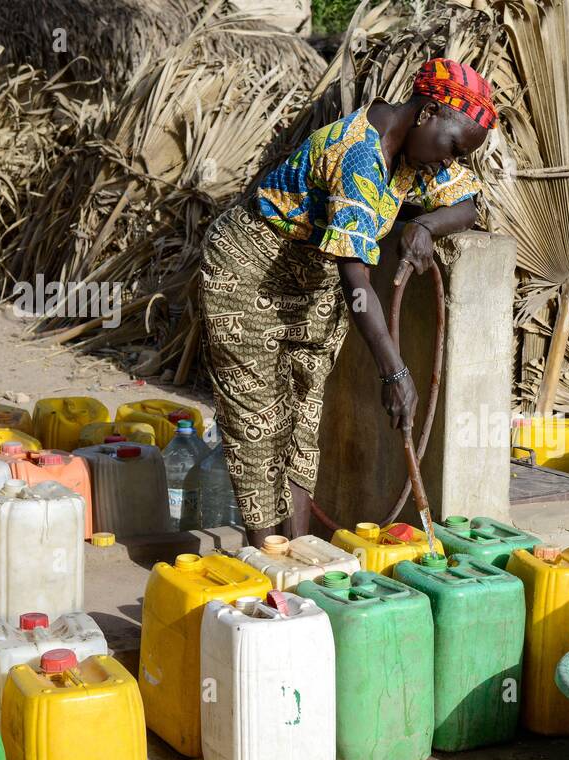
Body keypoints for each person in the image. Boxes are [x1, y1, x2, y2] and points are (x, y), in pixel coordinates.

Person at [201, 58, 495, 547]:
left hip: (312, 278)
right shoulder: (361, 153)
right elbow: (354, 276)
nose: (450, 163)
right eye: (453, 147)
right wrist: (394, 372)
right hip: (249, 270)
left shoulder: (414, 157)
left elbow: (468, 204)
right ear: (428, 113)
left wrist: (424, 225)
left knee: (302, 421)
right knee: (257, 426)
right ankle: (268, 565)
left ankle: (296, 554)